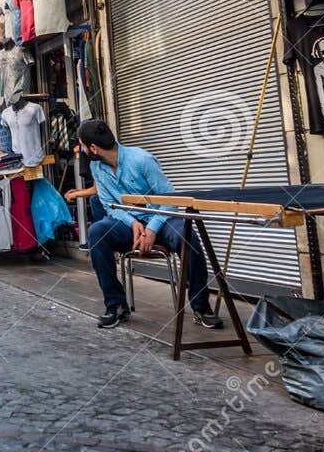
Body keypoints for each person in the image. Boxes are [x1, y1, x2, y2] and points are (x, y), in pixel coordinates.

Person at [65, 118, 224, 330]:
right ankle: (116, 305)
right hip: (128, 224)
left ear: (93, 148)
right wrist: (132, 224)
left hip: (162, 219)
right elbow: (109, 204)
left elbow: (169, 199)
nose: (82, 150)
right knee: (97, 232)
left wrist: (151, 228)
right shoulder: (96, 167)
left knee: (189, 238)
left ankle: (201, 306)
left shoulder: (142, 159)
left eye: (83, 146)